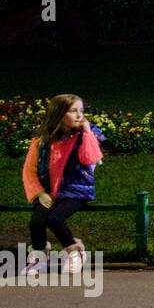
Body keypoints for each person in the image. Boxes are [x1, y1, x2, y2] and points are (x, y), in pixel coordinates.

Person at [22, 94, 105, 275]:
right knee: (37, 221)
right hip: (49, 192)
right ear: (59, 114)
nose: (79, 115)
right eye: (73, 110)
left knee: (55, 219)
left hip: (76, 190)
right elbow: (29, 170)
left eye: (81, 111)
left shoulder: (86, 136)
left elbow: (90, 158)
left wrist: (87, 132)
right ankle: (40, 257)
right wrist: (40, 193)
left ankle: (75, 252)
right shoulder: (41, 141)